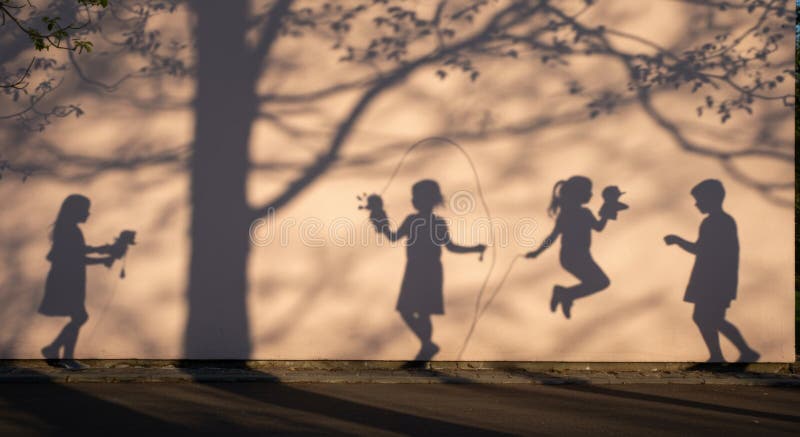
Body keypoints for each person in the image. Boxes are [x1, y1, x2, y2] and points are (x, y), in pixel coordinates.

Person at [364, 180, 486, 360]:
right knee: (416, 312)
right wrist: (380, 221)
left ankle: (427, 347)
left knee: (419, 311)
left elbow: (393, 237)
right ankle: (427, 345)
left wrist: (380, 220)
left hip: (423, 269)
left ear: (427, 200)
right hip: (423, 269)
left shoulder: (420, 221)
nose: (413, 200)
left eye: (416, 197)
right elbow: (451, 247)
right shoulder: (423, 221)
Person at [664, 179, 759, 362]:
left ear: (712, 199)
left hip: (714, 281)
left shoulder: (717, 222)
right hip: (713, 279)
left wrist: (677, 240)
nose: (696, 203)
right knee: (707, 317)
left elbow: (700, 249)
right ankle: (720, 355)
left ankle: (739, 353)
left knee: (708, 317)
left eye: (699, 199)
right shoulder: (718, 221)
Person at [39, 194, 115, 369]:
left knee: (78, 316)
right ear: (75, 211)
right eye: (85, 209)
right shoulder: (69, 230)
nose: (89, 213)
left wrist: (100, 249)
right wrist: (102, 260)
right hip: (67, 280)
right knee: (80, 316)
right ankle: (57, 352)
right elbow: (75, 257)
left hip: (70, 279)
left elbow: (77, 251)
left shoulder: (68, 228)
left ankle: (62, 354)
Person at [526, 176, 614, 319]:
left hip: (572, 257)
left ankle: (566, 295)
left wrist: (538, 252)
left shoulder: (570, 214)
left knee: (599, 282)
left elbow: (552, 238)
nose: (591, 194)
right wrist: (538, 252)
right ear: (578, 194)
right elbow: (599, 227)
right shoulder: (579, 214)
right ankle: (565, 295)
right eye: (588, 191)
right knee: (601, 282)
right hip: (576, 257)